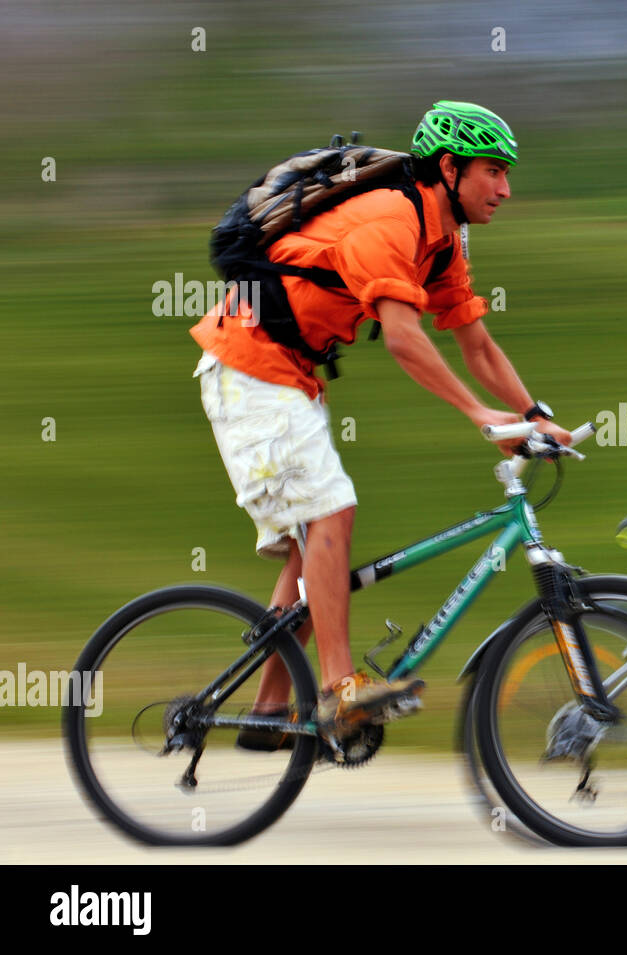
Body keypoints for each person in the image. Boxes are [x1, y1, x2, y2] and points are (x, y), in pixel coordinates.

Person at [188, 101, 571, 750]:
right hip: (249, 367)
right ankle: (341, 690)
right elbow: (402, 337)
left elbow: (475, 344)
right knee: (331, 512)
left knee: (314, 555)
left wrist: (534, 415)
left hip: (289, 377)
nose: (506, 189)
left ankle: (269, 713)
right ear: (449, 168)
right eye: (493, 172)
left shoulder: (443, 237)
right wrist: (479, 413)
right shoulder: (389, 219)